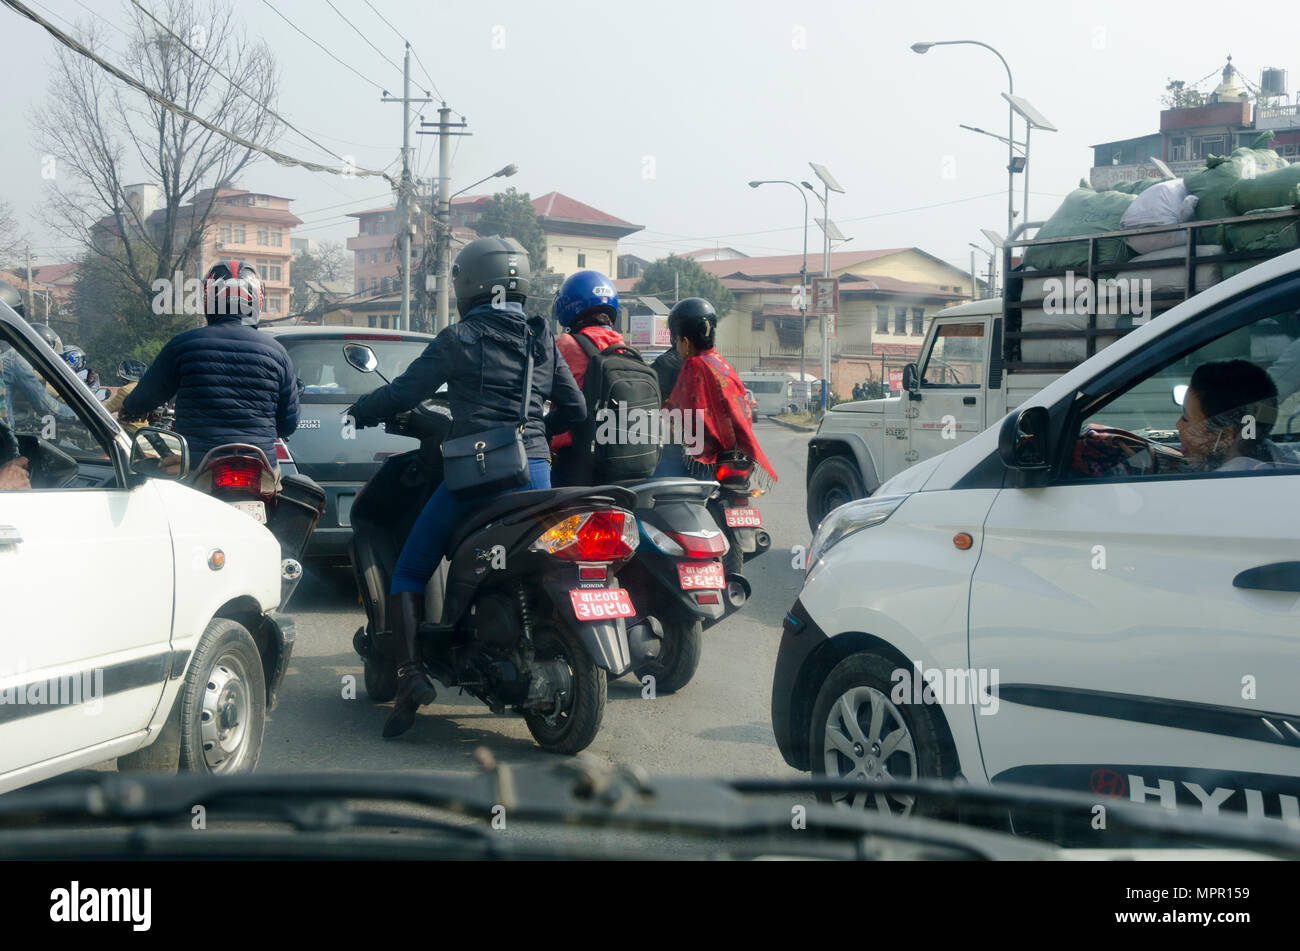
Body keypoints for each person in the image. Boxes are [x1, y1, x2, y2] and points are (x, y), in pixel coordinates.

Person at [346, 236, 586, 738]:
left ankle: (411, 676)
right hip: (537, 476)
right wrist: (538, 430)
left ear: (470, 283)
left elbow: (402, 394)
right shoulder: (543, 339)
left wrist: (362, 411)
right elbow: (577, 411)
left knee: (411, 568)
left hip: (475, 477)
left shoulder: (459, 338)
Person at [121, 260, 298, 490]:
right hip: (260, 468)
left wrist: (129, 409)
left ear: (209, 299)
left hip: (199, 468)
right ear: (256, 300)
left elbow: (143, 398)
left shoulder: (184, 344)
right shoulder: (278, 353)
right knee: (274, 511)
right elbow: (288, 425)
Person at [548, 269, 660, 485]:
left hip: (576, 467)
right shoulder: (624, 349)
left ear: (567, 306)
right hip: (623, 469)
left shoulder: (565, 344)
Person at [654, 297, 777, 484]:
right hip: (734, 454)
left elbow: (679, 420)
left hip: (698, 460)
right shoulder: (723, 364)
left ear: (685, 342)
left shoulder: (692, 365)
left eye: (678, 340)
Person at [1176, 359, 1296, 472]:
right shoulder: (1284, 460)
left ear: (1224, 437)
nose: (1178, 425)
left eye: (1186, 419)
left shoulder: (1216, 487)